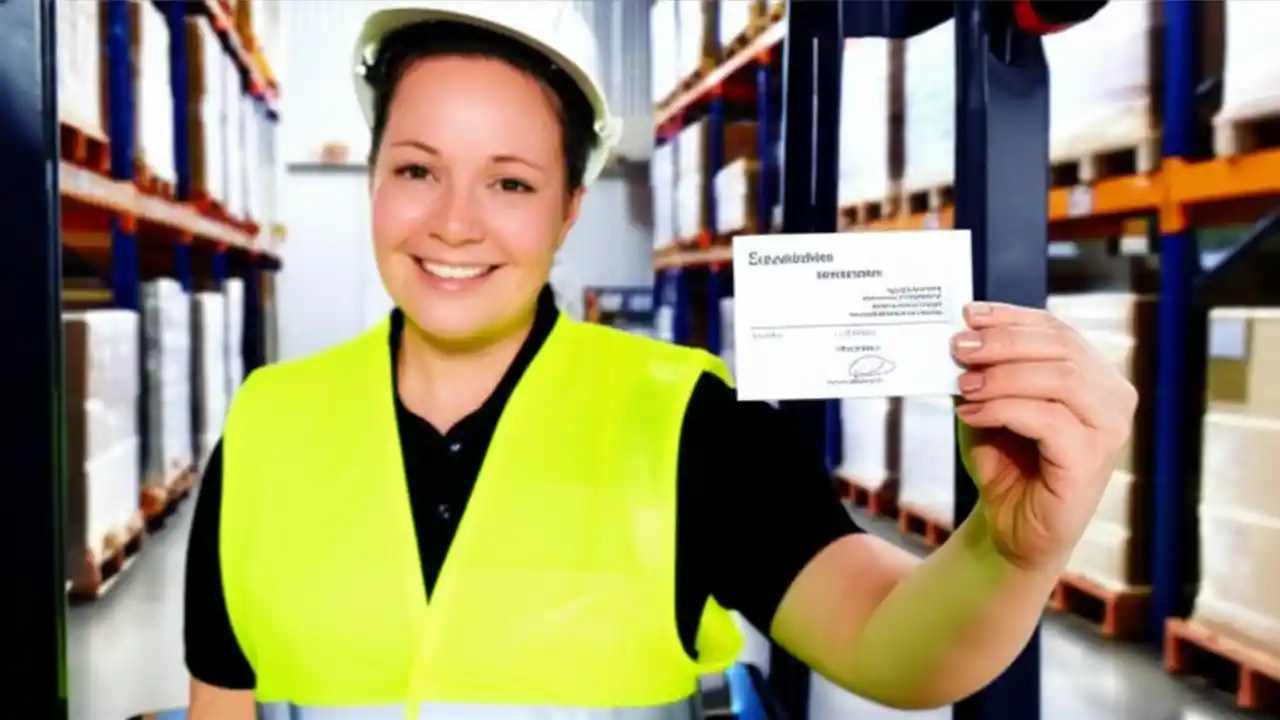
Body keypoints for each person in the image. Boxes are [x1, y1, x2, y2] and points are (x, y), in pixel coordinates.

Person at [183, 2, 1138, 718]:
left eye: (509, 182)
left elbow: (889, 645)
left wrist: (1006, 556)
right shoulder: (268, 422)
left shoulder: (687, 422)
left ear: (568, 211)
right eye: (417, 169)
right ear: (373, 182)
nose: (454, 222)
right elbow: (221, 700)